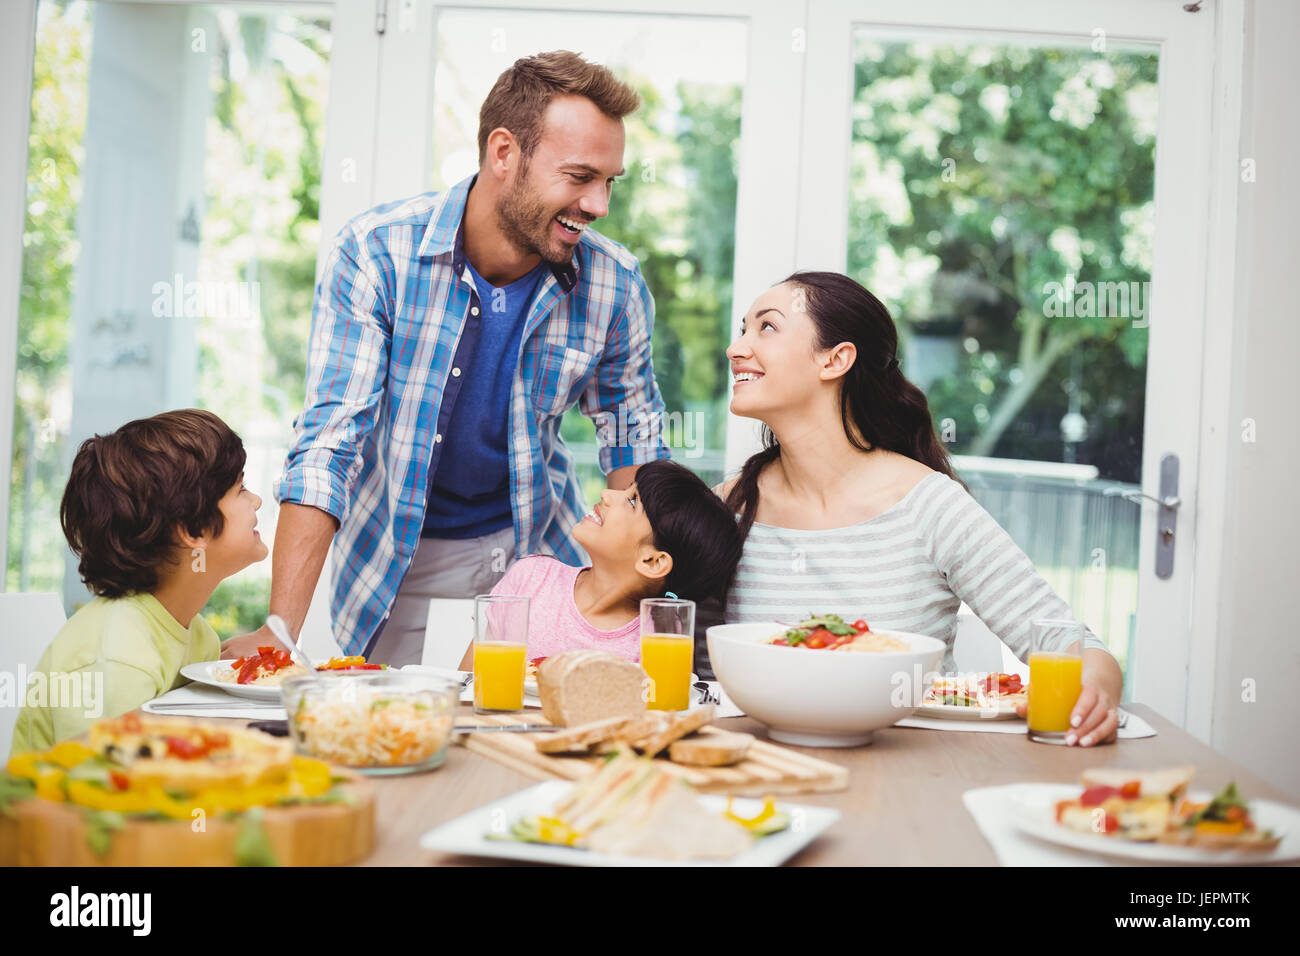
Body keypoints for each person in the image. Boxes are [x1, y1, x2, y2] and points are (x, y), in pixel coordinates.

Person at [223, 50, 670, 667]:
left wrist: (649, 602)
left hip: (540, 558)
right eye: (579, 176)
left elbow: (634, 443)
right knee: (410, 740)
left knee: (542, 745)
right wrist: (279, 630)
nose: (599, 204)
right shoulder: (377, 254)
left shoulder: (612, 283)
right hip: (401, 562)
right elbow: (330, 444)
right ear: (504, 153)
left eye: (610, 181)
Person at [716, 271, 1124, 747]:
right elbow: (688, 666)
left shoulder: (930, 505)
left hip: (911, 780)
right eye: (743, 328)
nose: (736, 348)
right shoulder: (728, 506)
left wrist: (1094, 691)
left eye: (765, 327)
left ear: (836, 359)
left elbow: (1070, 645)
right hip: (758, 774)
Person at [11, 410, 267, 752]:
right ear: (193, 530)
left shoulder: (198, 635)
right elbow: (107, 791)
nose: (257, 500)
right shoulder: (120, 657)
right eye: (241, 489)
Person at [456, 459, 743, 666]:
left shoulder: (656, 644)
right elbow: (469, 687)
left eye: (632, 501)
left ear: (652, 561)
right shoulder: (531, 578)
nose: (607, 495)